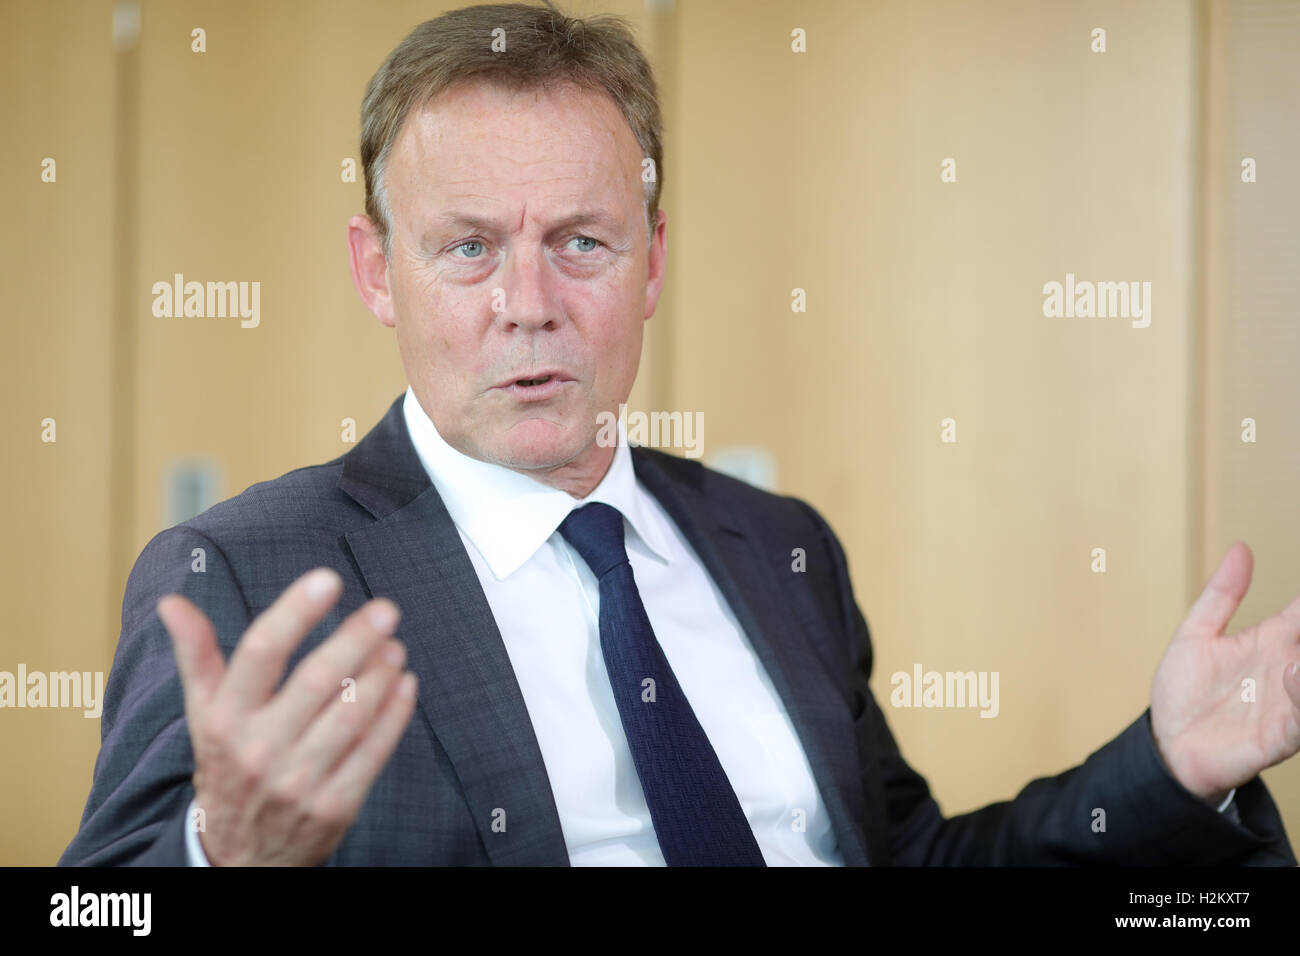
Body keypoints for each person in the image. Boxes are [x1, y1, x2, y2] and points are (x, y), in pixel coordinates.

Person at [61, 1, 1298, 867]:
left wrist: (1170, 763)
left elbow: (912, 859)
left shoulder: (777, 544)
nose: (529, 302)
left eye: (582, 242)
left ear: (652, 262)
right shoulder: (247, 572)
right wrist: (224, 856)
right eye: (469, 247)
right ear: (376, 269)